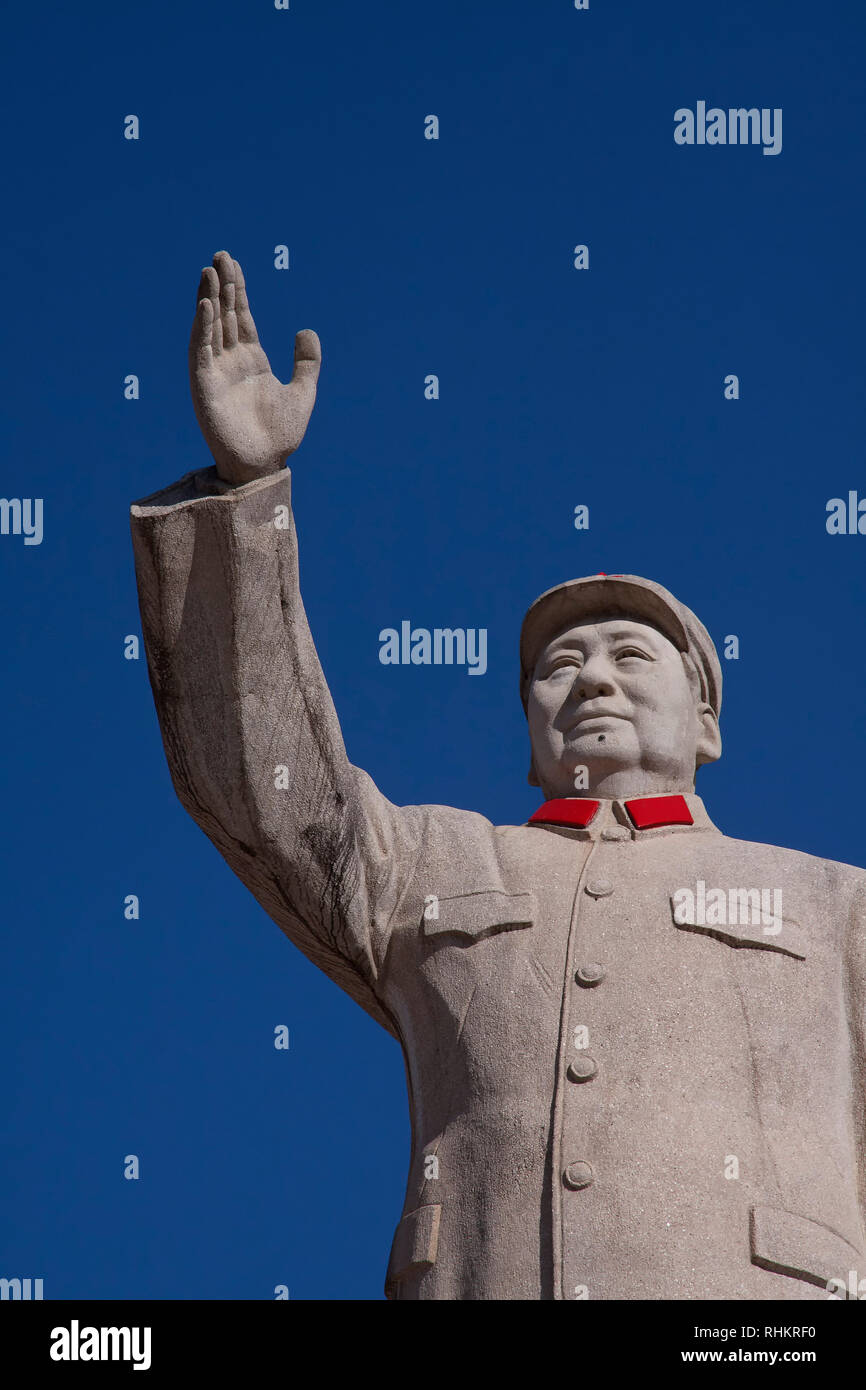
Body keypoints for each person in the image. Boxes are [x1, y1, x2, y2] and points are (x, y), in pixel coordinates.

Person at [130, 251, 866, 1300]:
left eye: (629, 655)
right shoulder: (428, 862)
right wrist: (248, 496)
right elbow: (265, 788)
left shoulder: (837, 907)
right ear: (527, 728)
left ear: (705, 717)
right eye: (558, 666)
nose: (591, 679)